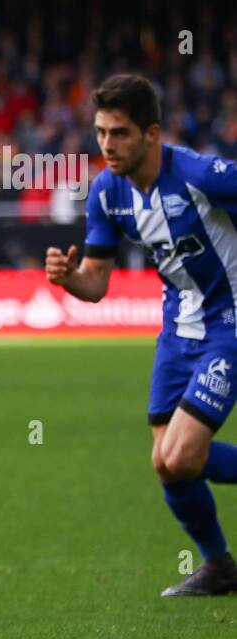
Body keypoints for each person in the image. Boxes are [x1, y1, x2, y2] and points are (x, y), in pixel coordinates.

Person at [47, 73, 237, 595]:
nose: (107, 145)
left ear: (152, 134)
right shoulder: (107, 192)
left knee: (180, 457)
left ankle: (220, 566)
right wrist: (68, 280)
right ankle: (220, 567)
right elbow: (96, 284)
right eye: (102, 133)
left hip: (230, 324)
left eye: (120, 133)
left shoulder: (202, 175)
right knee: (167, 463)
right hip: (177, 329)